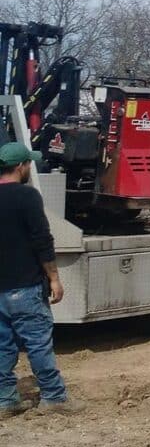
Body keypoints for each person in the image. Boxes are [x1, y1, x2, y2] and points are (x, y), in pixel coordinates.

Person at [0, 141, 71, 416]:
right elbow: (42, 240)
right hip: (25, 288)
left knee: (2, 348)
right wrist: (54, 278)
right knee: (38, 344)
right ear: (20, 166)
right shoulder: (28, 197)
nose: (30, 167)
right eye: (29, 163)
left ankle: (5, 402)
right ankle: (54, 397)